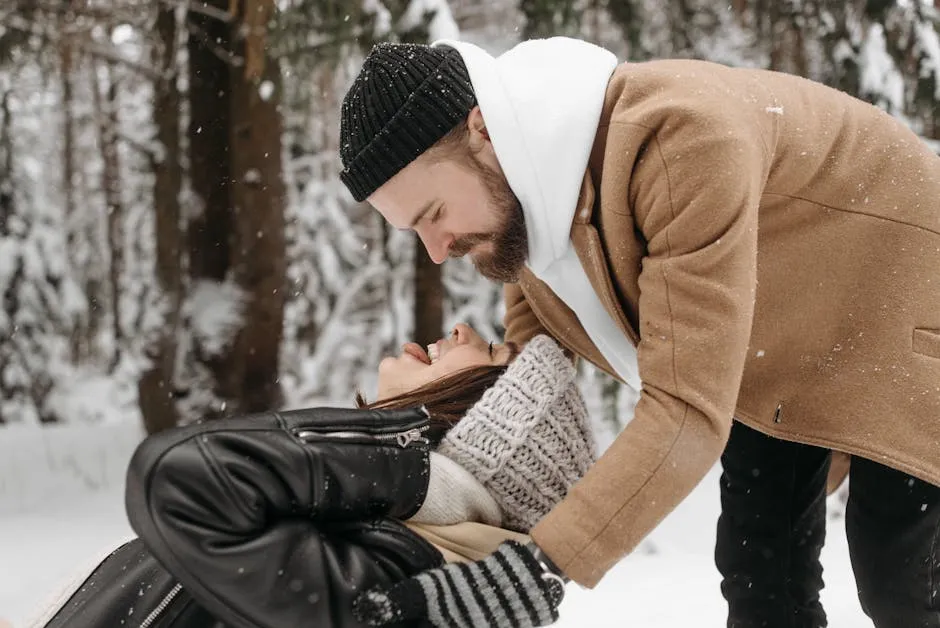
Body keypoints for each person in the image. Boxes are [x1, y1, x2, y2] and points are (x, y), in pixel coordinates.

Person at [338, 37, 940, 628]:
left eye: (434, 215)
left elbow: (683, 413)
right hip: (781, 340)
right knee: (761, 577)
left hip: (904, 288)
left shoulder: (678, 143)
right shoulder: (535, 215)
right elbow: (524, 381)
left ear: (484, 131)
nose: (438, 253)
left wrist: (537, 570)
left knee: (903, 578)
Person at [29, 329, 595, 628]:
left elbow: (176, 480)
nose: (463, 328)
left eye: (491, 350)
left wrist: (401, 454)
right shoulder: (376, 540)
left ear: (486, 422)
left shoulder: (394, 574)